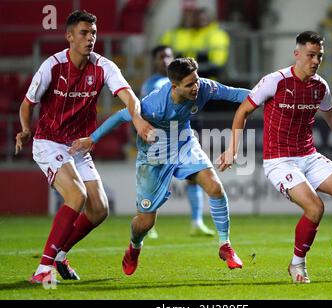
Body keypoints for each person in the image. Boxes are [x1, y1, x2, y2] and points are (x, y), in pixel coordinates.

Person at [69, 57, 250, 273]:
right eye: (190, 84)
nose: (196, 87)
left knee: (215, 188)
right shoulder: (154, 105)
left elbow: (238, 94)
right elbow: (120, 116)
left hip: (183, 144)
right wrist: (93, 138)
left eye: (197, 80)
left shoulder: (205, 88)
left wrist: (268, 98)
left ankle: (225, 246)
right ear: (174, 86)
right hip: (153, 156)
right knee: (145, 223)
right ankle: (134, 246)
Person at [14, 10, 152, 284]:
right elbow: (28, 104)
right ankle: (43, 268)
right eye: (84, 33)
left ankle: (61, 254)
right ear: (69, 37)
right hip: (48, 141)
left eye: (93, 33)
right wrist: (26, 128)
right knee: (76, 196)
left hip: (77, 147)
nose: (90, 38)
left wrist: (136, 118)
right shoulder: (52, 66)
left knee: (99, 209)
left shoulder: (103, 67)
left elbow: (129, 98)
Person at [218, 31, 332, 283]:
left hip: (309, 155)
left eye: (319, 56)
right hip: (279, 160)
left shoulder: (320, 86)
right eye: (310, 55)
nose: (315, 61)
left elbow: (330, 112)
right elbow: (243, 111)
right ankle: (297, 264)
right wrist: (232, 149)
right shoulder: (276, 81)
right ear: (297, 54)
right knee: (315, 208)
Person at [141, 45, 215, 238]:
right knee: (154, 180)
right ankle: (147, 223)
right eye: (160, 57)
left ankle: (197, 222)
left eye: (168, 56)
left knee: (194, 175)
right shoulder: (152, 85)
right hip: (163, 135)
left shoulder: (188, 79)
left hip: (188, 127)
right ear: (154, 61)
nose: (165, 60)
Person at [192, 7, 230, 79]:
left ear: (210, 19)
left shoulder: (217, 34)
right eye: (197, 19)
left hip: (210, 75)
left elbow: (217, 61)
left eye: (203, 19)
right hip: (195, 73)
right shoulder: (194, 34)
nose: (200, 22)